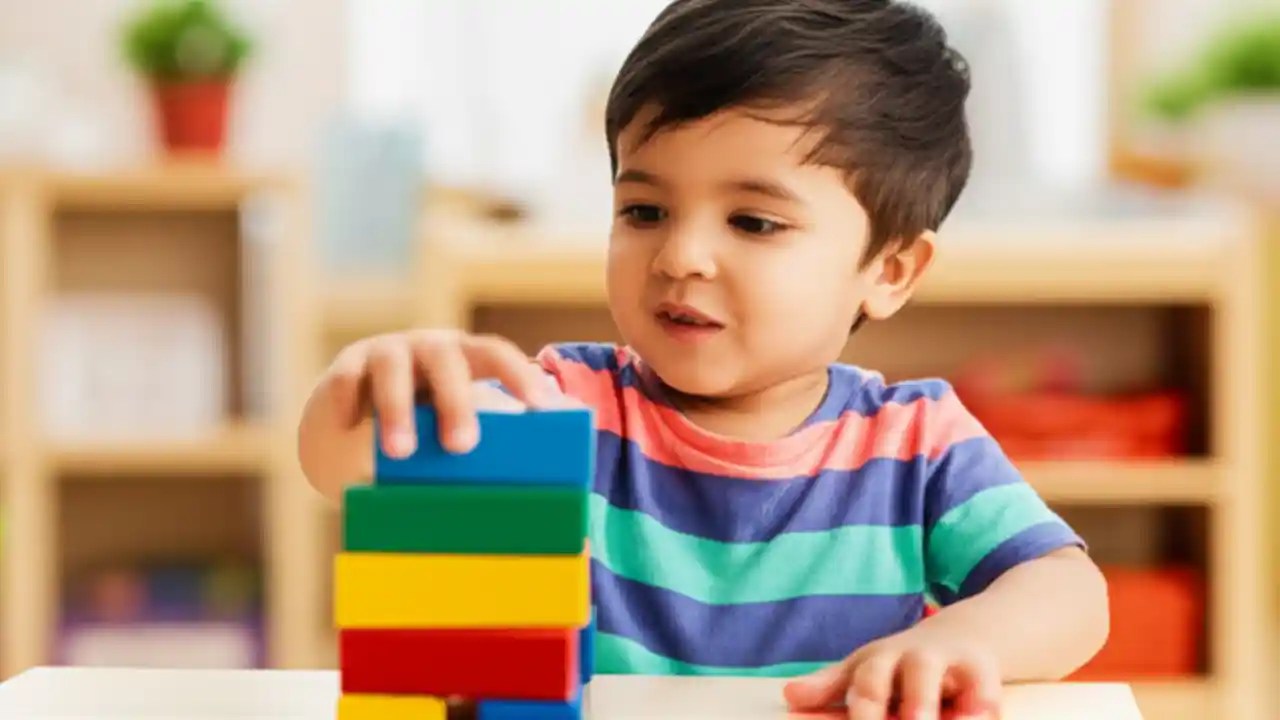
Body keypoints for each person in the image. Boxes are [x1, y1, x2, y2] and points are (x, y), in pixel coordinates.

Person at [298, 1, 1110, 717]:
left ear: (888, 271)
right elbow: (352, 470)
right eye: (644, 210)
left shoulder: (917, 441)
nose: (680, 255)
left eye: (753, 223)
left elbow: (1072, 594)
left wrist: (960, 643)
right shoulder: (563, 402)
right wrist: (375, 393)